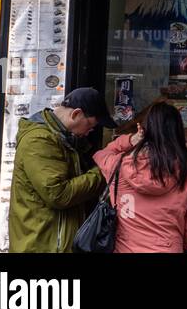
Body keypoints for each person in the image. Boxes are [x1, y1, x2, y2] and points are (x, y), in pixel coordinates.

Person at [92, 101, 187, 253]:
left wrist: (131, 140)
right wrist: (177, 243)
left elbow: (102, 153)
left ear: (143, 130)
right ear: (178, 132)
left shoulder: (119, 166)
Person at [9, 87, 114, 252]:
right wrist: (105, 169)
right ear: (75, 114)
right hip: (42, 246)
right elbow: (59, 194)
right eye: (90, 125)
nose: (90, 131)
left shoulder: (64, 138)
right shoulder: (39, 140)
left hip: (53, 243)